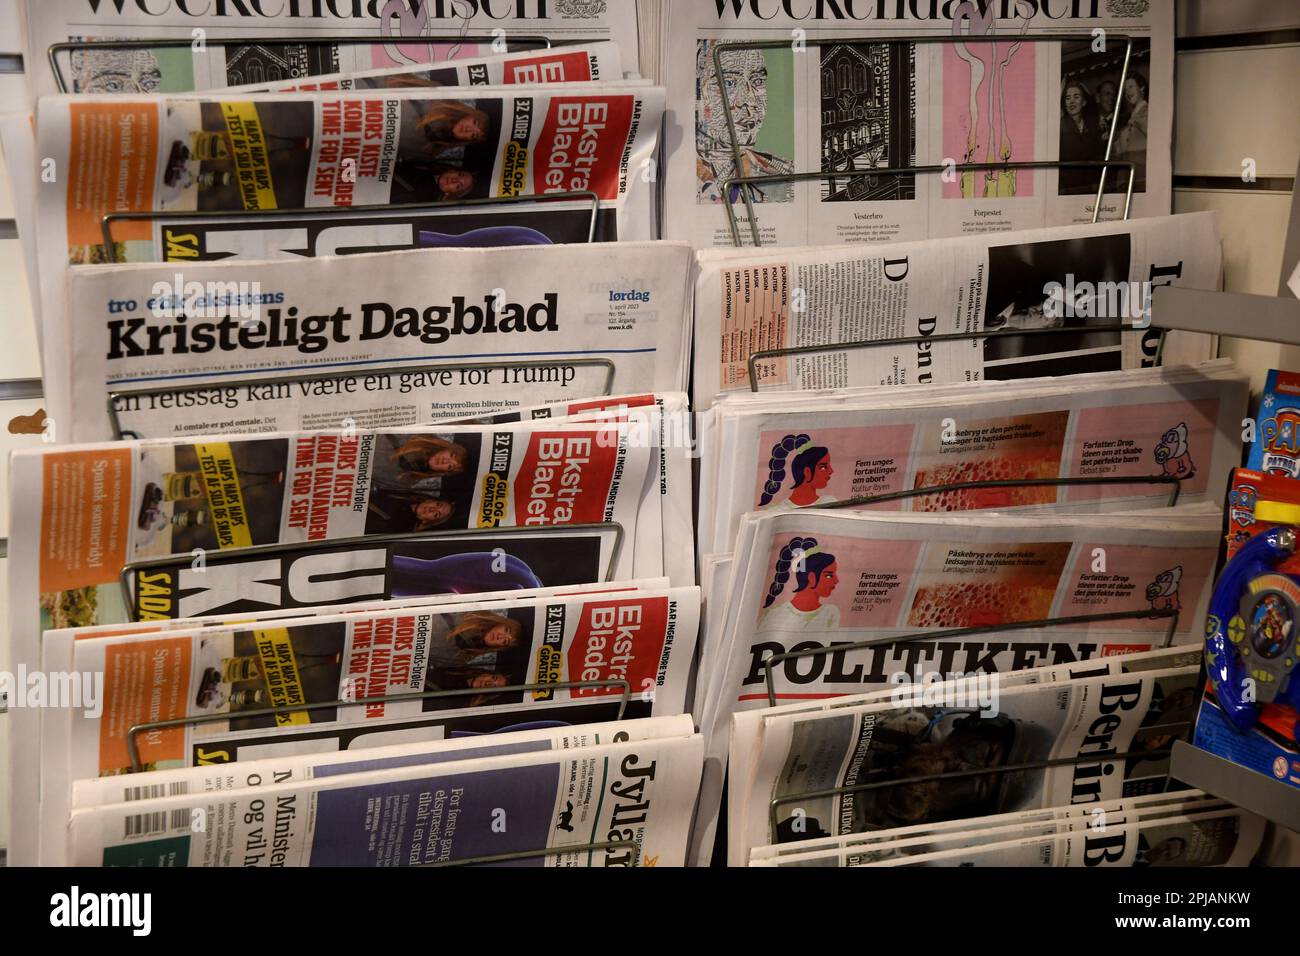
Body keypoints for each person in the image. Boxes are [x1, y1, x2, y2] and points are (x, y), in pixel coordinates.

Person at [695, 42, 794, 204]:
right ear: (698, 92)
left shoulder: (786, 176)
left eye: (757, 81)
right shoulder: (675, 178)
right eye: (728, 83)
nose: (750, 100)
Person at [761, 536, 841, 630]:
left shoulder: (830, 613)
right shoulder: (773, 614)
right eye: (829, 575)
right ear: (811, 577)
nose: (837, 580)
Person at [388, 550, 543, 598]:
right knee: (429, 573)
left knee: (429, 579)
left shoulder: (526, 577)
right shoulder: (528, 583)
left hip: (462, 576)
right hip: (463, 574)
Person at [758, 434, 837, 508]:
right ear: (807, 472)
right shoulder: (780, 509)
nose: (831, 471)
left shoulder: (829, 503)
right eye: (823, 467)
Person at [1058, 79, 1101, 194]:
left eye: (1076, 97)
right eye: (1068, 98)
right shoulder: (1060, 126)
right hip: (1068, 188)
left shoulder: (1093, 126)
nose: (1071, 101)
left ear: (1084, 102)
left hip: (1090, 187)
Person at [1116, 72, 1149, 185]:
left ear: (1142, 88)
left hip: (1141, 170)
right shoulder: (1130, 115)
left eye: (1131, 87)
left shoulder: (1148, 111)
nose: (1127, 92)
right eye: (1125, 90)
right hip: (1128, 169)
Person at [390, 436, 470, 482]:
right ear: (445, 448)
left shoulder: (410, 478)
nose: (445, 461)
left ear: (443, 471)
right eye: (452, 455)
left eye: (450, 466)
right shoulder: (412, 438)